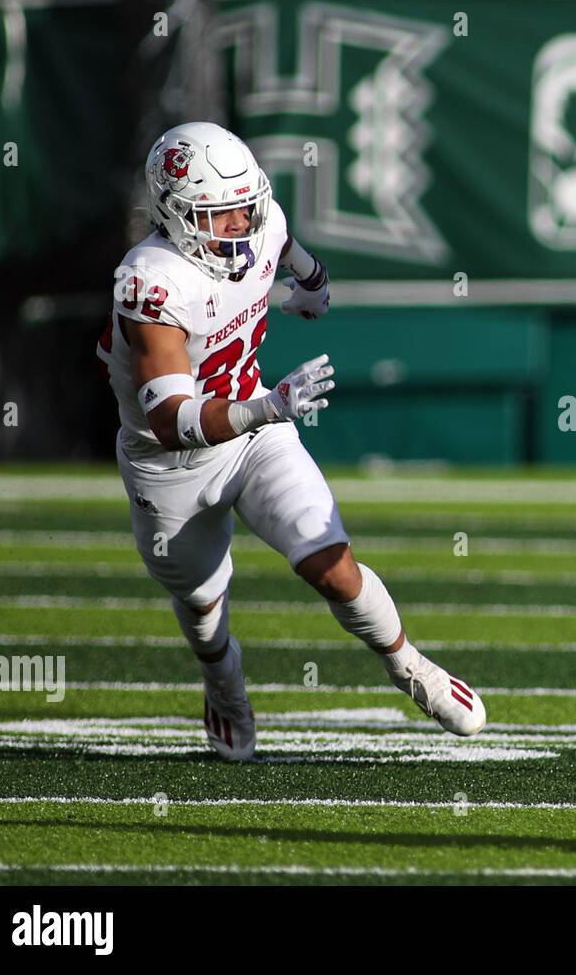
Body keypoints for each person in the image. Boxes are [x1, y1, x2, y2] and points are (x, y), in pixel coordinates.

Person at [96, 121, 485, 760]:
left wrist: (306, 290)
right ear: (177, 216)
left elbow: (298, 261)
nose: (243, 226)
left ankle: (410, 667)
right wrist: (268, 404)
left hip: (256, 437)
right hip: (169, 463)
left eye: (247, 206)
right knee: (200, 603)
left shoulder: (260, 221)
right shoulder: (151, 279)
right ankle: (224, 682)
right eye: (222, 216)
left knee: (330, 562)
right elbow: (170, 418)